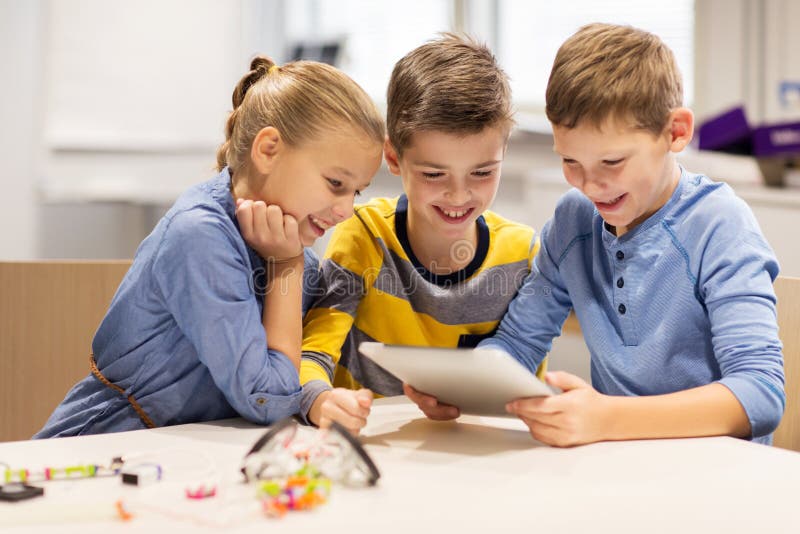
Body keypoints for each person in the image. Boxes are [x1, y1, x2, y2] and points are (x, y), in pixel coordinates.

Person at [412, 23, 785, 447]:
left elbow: (762, 393)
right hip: (614, 467)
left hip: (717, 475)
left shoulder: (719, 225)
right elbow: (518, 342)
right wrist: (465, 387)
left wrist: (607, 419)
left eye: (611, 161)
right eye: (570, 161)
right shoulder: (573, 222)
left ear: (676, 132)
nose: (589, 186)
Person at [35, 56, 384, 437]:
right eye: (336, 183)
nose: (347, 210)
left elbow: (303, 367)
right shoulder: (199, 236)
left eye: (356, 192)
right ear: (268, 150)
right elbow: (267, 398)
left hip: (188, 454)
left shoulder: (294, 255)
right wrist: (285, 268)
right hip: (102, 449)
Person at [299, 34, 545, 434]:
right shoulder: (365, 235)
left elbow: (521, 390)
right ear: (393, 157)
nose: (459, 194)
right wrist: (320, 400)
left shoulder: (523, 253)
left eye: (483, 172)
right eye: (434, 174)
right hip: (373, 449)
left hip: (478, 460)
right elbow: (315, 352)